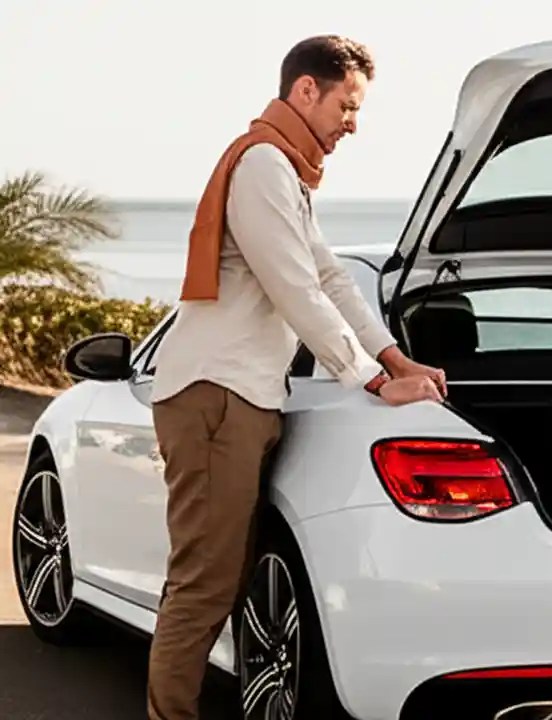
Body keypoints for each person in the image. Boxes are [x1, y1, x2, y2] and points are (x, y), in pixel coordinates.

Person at [145, 35, 446, 719]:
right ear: (306, 90)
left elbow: (331, 279)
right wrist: (368, 381)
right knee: (203, 584)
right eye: (347, 105)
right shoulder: (261, 168)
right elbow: (294, 289)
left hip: (239, 396)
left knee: (214, 578)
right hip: (216, 394)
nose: (352, 124)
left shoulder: (284, 171)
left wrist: (396, 359)